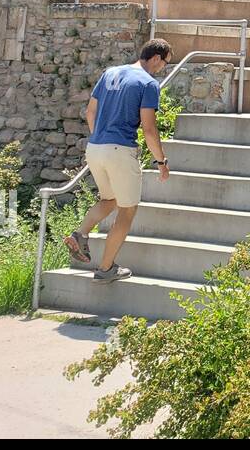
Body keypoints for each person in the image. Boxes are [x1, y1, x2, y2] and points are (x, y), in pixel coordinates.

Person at [64, 39, 173, 282]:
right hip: (120, 150)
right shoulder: (148, 83)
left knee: (109, 199)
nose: (162, 68)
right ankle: (105, 268)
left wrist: (101, 139)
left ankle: (80, 234)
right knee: (127, 210)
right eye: (164, 63)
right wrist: (161, 162)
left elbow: (90, 112)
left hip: (95, 147)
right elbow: (149, 129)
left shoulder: (110, 73)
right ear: (156, 57)